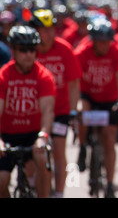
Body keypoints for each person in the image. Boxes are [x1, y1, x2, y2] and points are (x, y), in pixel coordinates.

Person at [28, 9, 82, 198]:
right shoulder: (27, 50)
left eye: (51, 29)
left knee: (59, 152)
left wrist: (73, 111)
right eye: (44, 30)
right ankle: (33, 186)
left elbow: (74, 82)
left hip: (60, 111)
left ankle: (59, 193)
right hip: (34, 113)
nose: (49, 34)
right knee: (32, 156)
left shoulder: (64, 48)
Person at [74, 17, 118, 198]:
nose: (104, 45)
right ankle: (82, 147)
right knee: (82, 111)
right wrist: (74, 105)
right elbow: (74, 82)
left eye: (107, 42)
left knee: (109, 138)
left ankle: (111, 183)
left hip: (109, 99)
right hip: (88, 96)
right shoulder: (82, 53)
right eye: (100, 42)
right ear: (93, 40)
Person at [0, 25, 55, 198]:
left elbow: (48, 110)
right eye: (23, 50)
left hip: (33, 134)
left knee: (43, 160)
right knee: (2, 179)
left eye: (32, 49)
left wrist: (43, 135)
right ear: (13, 51)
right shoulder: (3, 76)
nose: (29, 54)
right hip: (7, 135)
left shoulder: (44, 76)